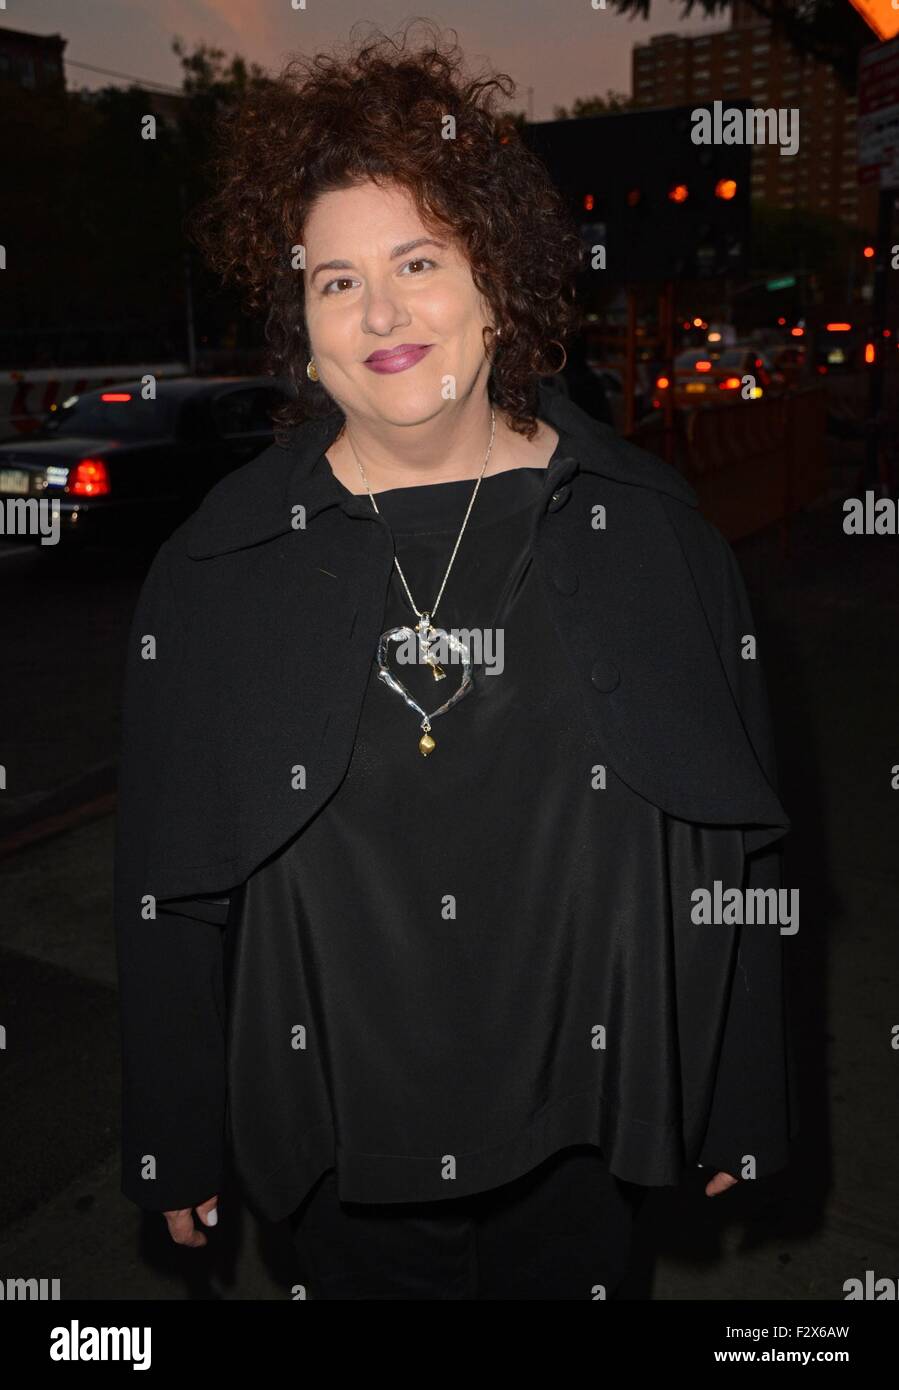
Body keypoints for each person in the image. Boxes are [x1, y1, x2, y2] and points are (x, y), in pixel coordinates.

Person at [113, 23, 797, 1300]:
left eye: (417, 260)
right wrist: (173, 1125)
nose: (380, 312)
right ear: (300, 323)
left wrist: (740, 1084)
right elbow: (166, 880)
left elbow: (737, 842)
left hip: (587, 1130)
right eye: (334, 280)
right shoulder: (212, 571)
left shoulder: (651, 533)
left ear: (494, 278)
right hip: (336, 1147)